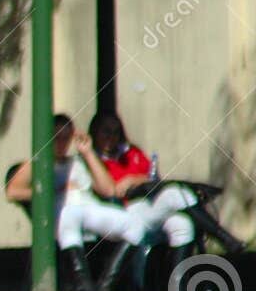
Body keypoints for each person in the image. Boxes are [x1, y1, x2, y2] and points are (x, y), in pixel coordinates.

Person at [89, 111, 244, 280]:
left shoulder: (131, 153)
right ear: (95, 132)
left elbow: (153, 179)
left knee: (182, 223)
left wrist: (132, 179)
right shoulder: (93, 159)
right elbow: (112, 190)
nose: (111, 137)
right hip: (126, 211)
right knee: (173, 194)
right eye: (106, 131)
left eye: (116, 132)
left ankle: (177, 286)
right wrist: (130, 182)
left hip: (150, 206)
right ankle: (223, 237)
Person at [7, 114, 144, 291]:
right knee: (70, 215)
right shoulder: (38, 163)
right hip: (62, 211)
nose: (61, 143)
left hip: (88, 207)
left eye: (66, 138)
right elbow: (13, 191)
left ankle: (106, 285)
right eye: (56, 137)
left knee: (135, 225)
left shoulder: (79, 162)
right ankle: (82, 283)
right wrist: (52, 193)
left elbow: (109, 190)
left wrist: (88, 153)